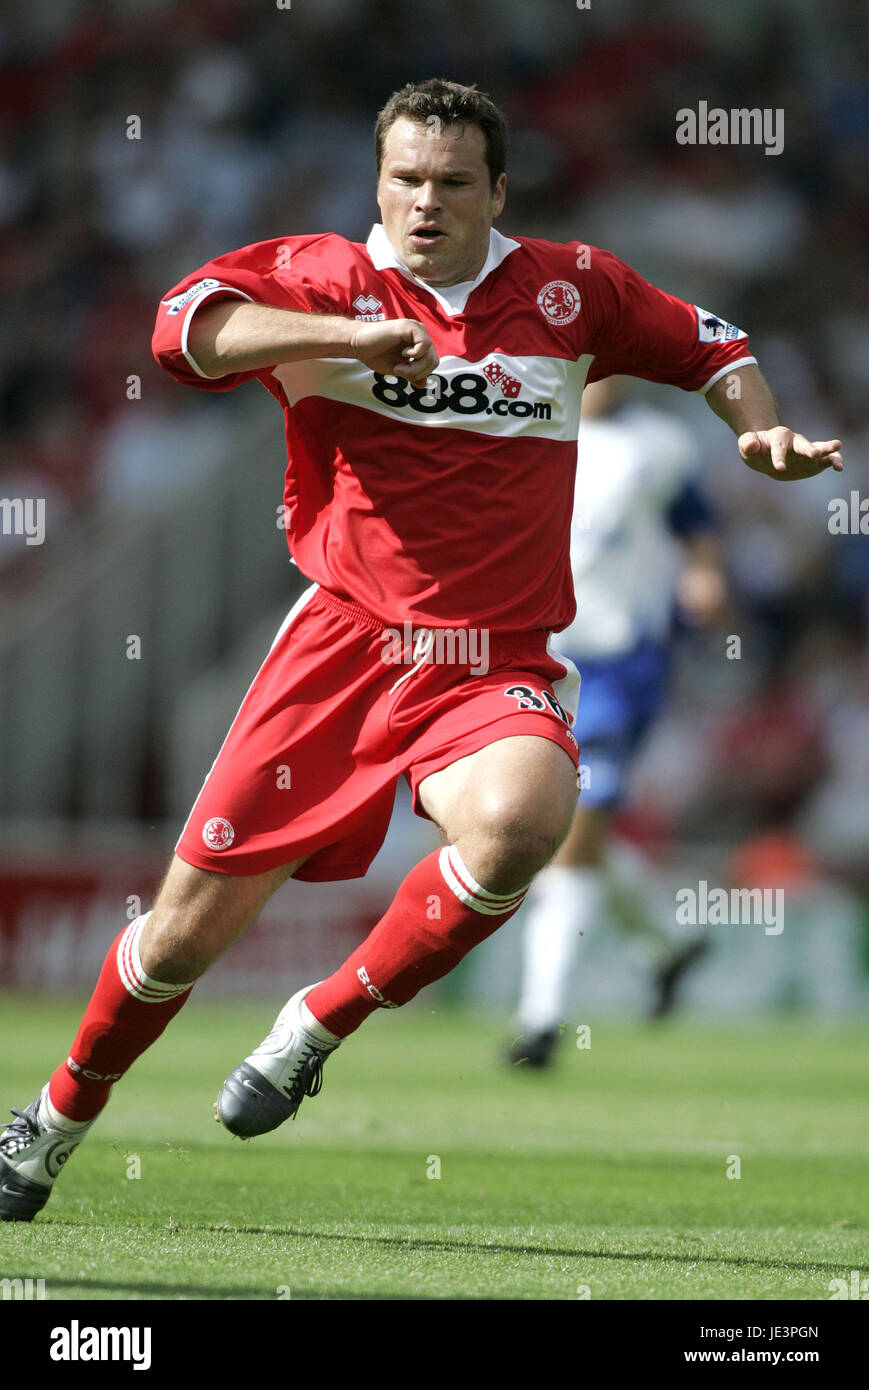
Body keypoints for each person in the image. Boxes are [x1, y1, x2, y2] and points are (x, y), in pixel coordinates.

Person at [0, 78, 843, 1221]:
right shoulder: (323, 276)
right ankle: (53, 1117)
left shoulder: (568, 288)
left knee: (521, 824)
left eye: (453, 182)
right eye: (405, 179)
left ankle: (313, 1024)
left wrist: (759, 428)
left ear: (497, 191)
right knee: (176, 944)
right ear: (377, 184)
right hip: (342, 648)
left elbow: (709, 342)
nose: (425, 202)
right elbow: (182, 332)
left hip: (493, 658)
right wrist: (345, 336)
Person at [508, 376, 727, 1068]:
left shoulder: (660, 444)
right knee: (544, 828)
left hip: (617, 666)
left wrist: (703, 575)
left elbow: (697, 526)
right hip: (529, 655)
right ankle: (665, 946)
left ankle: (540, 1020)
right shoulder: (527, 423)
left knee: (573, 832)